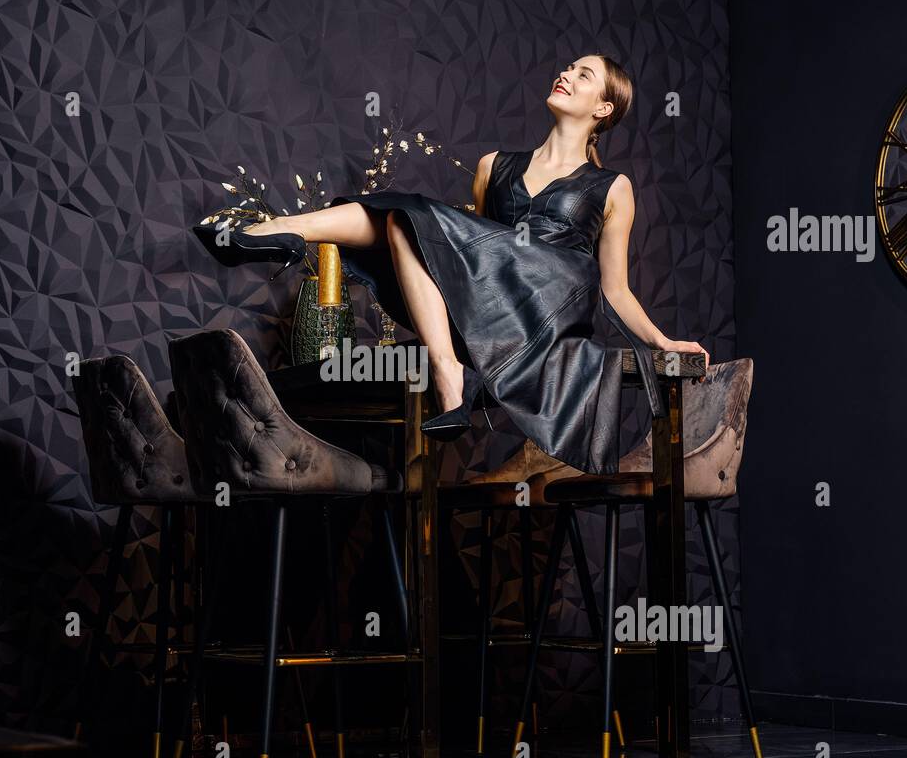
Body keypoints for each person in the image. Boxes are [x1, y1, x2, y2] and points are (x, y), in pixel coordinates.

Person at [193, 54, 708, 474]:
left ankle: (277, 230)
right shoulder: (493, 167)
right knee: (404, 223)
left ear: (603, 109)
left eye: (583, 74)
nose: (566, 74)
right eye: (568, 67)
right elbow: (466, 262)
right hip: (500, 302)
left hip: (552, 300)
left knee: (412, 216)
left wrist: (662, 342)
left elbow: (615, 290)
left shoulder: (613, 187)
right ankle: (447, 373)